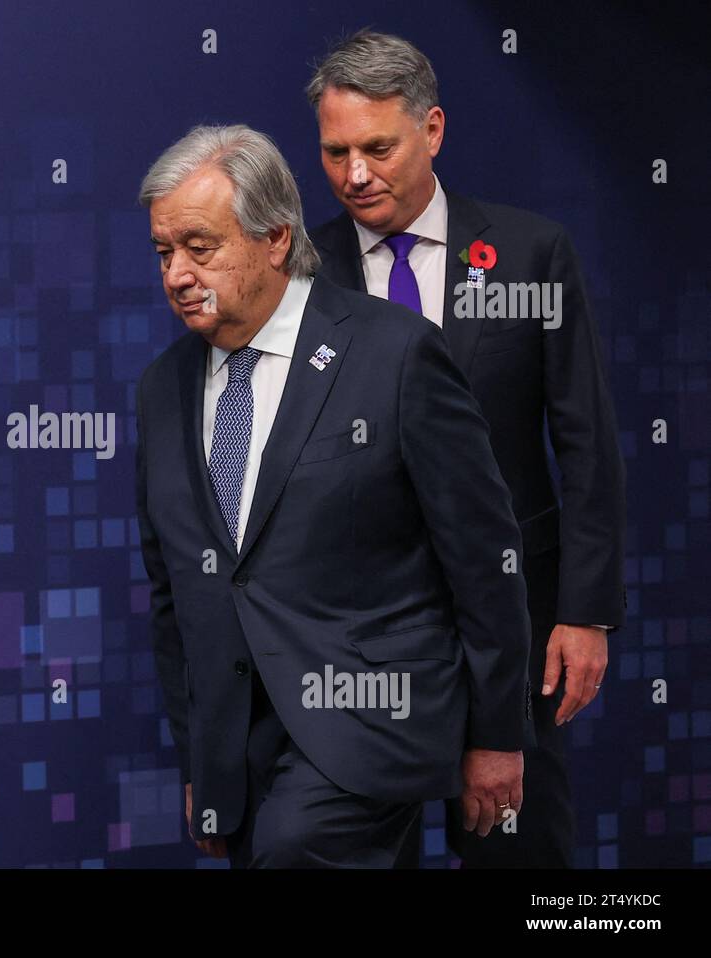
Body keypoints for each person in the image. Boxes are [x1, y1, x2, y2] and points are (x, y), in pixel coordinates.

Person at [135, 123, 532, 867]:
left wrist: (497, 731)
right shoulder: (163, 388)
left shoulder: (395, 353)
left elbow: (485, 557)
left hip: (367, 725)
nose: (177, 275)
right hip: (241, 749)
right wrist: (203, 763)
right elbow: (175, 594)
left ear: (277, 239)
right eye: (164, 253)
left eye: (200, 247)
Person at [306, 30, 625, 867]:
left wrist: (585, 611)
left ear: (433, 130)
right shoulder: (300, 273)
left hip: (516, 620)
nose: (356, 174)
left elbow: (585, 441)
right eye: (336, 152)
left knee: (521, 854)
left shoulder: (530, 254)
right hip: (360, 637)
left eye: (378, 147)